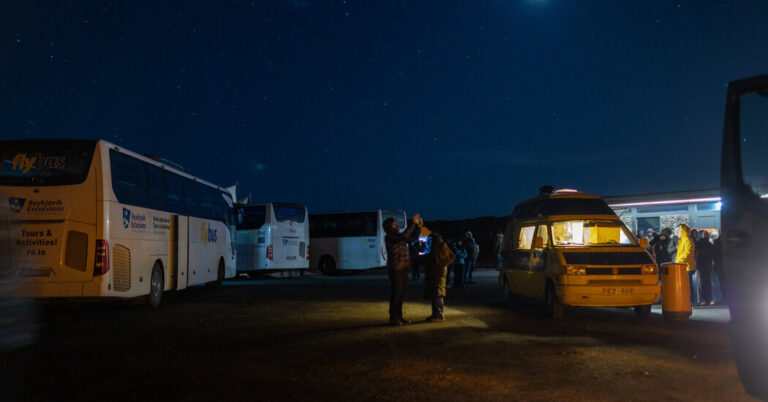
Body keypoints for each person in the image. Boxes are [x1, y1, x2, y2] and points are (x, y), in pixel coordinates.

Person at [383, 214, 421, 326]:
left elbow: (413, 238)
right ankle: (393, 318)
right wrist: (413, 223)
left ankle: (399, 316)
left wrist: (418, 227)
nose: (396, 225)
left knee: (402, 293)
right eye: (394, 224)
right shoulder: (390, 236)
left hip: (404, 268)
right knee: (396, 292)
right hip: (396, 268)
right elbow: (404, 237)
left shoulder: (398, 236)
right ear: (390, 226)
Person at [423, 232, 454, 322]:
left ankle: (439, 315)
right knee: (434, 292)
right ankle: (435, 314)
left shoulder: (441, 246)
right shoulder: (437, 247)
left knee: (438, 292)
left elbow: (449, 257)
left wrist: (440, 265)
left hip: (439, 273)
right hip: (436, 272)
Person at [675, 224, 697, 305]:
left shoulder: (687, 240)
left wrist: (678, 260)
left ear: (683, 232)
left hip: (687, 266)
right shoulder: (682, 240)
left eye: (679, 231)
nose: (677, 233)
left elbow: (688, 253)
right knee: (686, 285)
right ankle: (687, 301)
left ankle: (690, 301)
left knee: (688, 285)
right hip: (683, 266)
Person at [696, 231, 715, 305]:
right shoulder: (708, 244)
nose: (706, 235)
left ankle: (705, 299)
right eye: (705, 234)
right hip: (706, 265)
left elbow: (697, 256)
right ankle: (708, 299)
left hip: (703, 266)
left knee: (703, 283)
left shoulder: (700, 243)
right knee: (706, 282)